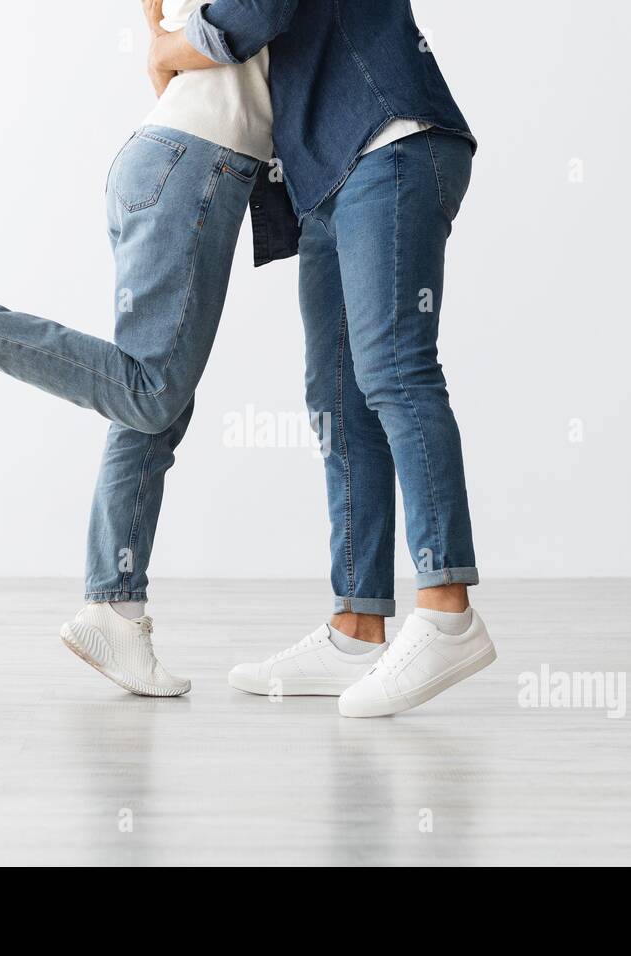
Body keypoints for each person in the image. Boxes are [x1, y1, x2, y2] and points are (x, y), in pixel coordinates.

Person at [0, 0, 272, 698]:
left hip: (167, 157)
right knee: (150, 390)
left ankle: (116, 609)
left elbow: (170, 40)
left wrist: (165, 51)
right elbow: (240, 28)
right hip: (196, 163)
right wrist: (171, 55)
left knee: (154, 402)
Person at [150, 0, 496, 717]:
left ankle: (448, 612)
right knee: (339, 397)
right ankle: (356, 627)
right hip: (331, 172)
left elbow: (253, 12)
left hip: (390, 140)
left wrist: (162, 48)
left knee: (396, 370)